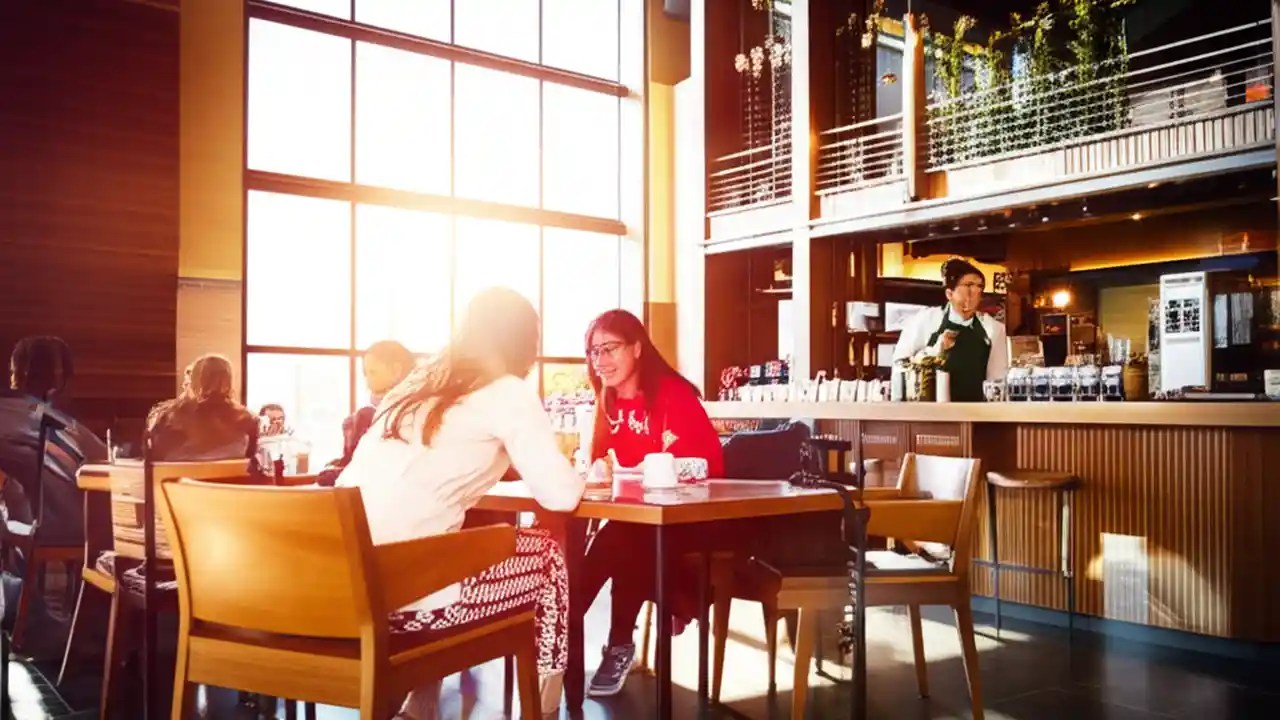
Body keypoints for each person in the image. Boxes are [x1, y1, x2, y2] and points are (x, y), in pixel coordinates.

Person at [337, 287, 584, 719]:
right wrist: (582, 471)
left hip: (339, 587)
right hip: (403, 602)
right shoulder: (507, 390)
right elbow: (560, 495)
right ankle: (545, 710)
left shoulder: (416, 382)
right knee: (545, 557)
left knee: (441, 542)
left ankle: (420, 707)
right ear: (526, 342)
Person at [579, 309, 724, 698]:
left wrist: (658, 467)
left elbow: (712, 465)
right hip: (634, 520)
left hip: (688, 519)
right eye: (594, 352)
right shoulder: (606, 401)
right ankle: (567, 630)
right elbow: (597, 464)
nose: (601, 360)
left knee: (625, 541)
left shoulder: (673, 394)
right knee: (615, 538)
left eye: (610, 348)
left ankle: (597, 637)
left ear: (638, 348)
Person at [0, 336, 107, 548]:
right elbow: (109, 465)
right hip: (63, 535)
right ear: (60, 382)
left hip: (12, 531)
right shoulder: (65, 428)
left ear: (16, 376)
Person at [891, 257, 1009, 402]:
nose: (975, 292)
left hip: (976, 412)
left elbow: (997, 380)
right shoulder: (924, 321)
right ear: (949, 294)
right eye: (969, 285)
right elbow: (901, 365)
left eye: (980, 286)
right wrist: (936, 351)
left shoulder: (993, 329)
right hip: (929, 411)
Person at [317, 340, 414, 486]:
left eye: (373, 373)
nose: (368, 383)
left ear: (396, 371)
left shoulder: (412, 419)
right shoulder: (364, 419)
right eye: (366, 374)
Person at [146, 354, 258, 461]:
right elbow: (251, 460)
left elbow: (152, 458)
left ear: (192, 380)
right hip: (227, 479)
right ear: (228, 381)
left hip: (171, 479)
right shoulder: (246, 419)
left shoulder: (166, 415)